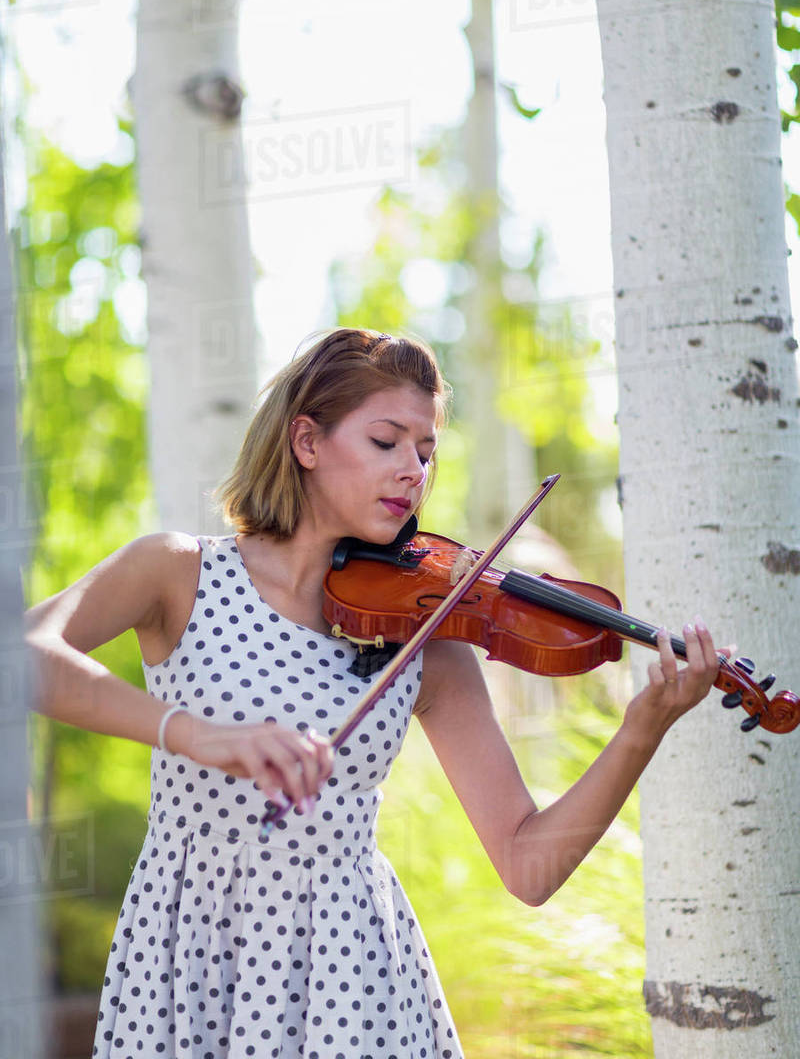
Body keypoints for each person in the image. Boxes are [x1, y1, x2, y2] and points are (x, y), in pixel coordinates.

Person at [25, 327, 727, 1059]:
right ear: (306, 441)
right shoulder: (178, 574)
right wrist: (195, 733)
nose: (412, 472)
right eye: (387, 442)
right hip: (192, 953)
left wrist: (643, 729)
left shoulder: (430, 638)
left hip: (352, 979)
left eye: (426, 452)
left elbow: (528, 866)